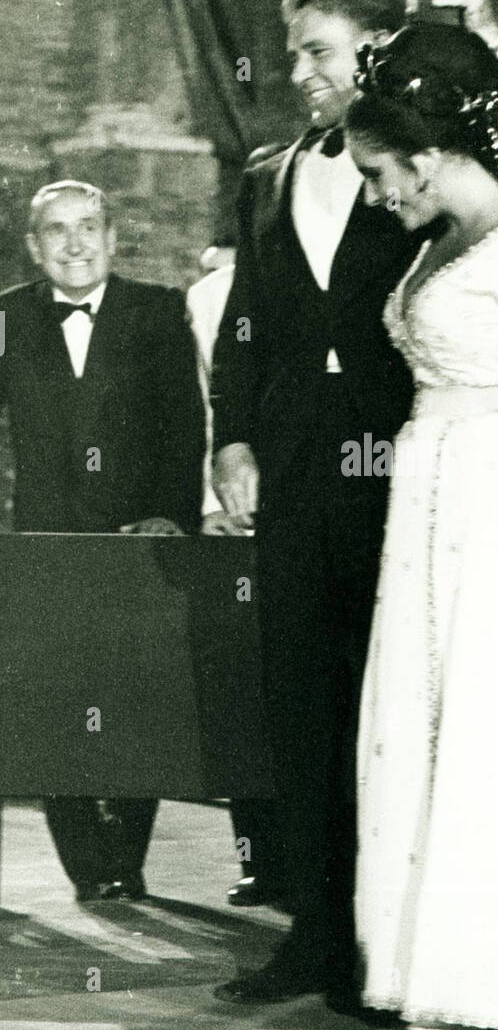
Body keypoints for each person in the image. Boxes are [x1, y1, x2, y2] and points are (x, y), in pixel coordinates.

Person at [211, 0, 498, 1009]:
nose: (298, 73)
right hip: (293, 477)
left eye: (318, 52)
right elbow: (245, 324)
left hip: (414, 480)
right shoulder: (265, 173)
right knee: (308, 711)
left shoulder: (433, 166)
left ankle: (409, 943)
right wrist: (229, 436)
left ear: (375, 52)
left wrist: (494, 33)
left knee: (413, 713)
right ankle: (318, 936)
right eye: (292, 55)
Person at [342, 23, 498, 1030]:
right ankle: (411, 960)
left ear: (431, 154)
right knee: (418, 715)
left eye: (382, 171)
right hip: (426, 489)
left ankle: (485, 972)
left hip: (495, 495)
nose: (377, 192)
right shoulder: (440, 240)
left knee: (487, 721)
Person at [0, 180, 204, 901]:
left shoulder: (156, 311)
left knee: (132, 698)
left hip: (134, 541)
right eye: (57, 231)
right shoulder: (8, 317)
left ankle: (127, 853)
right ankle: (91, 866)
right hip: (45, 544)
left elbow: (186, 427)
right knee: (57, 701)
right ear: (34, 247)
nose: (76, 244)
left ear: (114, 239)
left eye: (89, 227)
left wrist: (169, 515)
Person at [186, 239, 287, 908]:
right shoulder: (209, 297)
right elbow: (198, 406)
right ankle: (263, 858)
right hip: (236, 518)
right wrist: (207, 504)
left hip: (328, 503)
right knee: (242, 689)